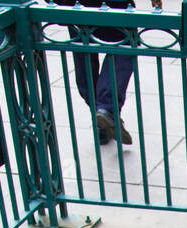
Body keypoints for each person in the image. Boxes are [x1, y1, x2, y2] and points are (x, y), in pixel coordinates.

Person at [52, 0, 157, 145]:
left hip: (77, 8)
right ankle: (106, 110)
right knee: (123, 47)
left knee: (85, 58)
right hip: (113, 7)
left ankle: (103, 118)